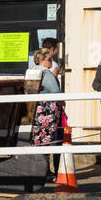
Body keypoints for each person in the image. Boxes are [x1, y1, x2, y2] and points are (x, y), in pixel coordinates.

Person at [30, 48, 65, 176]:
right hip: (47, 113)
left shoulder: (30, 72)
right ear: (42, 61)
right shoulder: (47, 74)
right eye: (49, 59)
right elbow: (56, 93)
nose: (51, 61)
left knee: (37, 141)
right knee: (48, 141)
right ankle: (44, 171)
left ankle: (36, 170)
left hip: (34, 112)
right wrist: (63, 103)